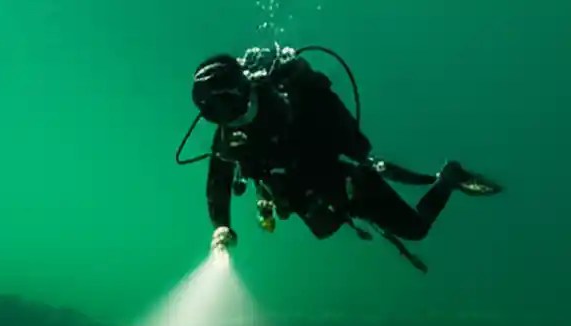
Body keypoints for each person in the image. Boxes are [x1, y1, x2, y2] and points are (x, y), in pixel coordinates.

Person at [184, 46, 502, 272]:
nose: (226, 117)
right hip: (306, 191)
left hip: (342, 175)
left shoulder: (283, 97)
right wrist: (221, 228)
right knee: (325, 228)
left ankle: (448, 177)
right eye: (212, 110)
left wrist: (356, 163)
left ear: (241, 90)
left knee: (415, 229)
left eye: (227, 104)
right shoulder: (228, 134)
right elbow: (218, 181)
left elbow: (337, 125)